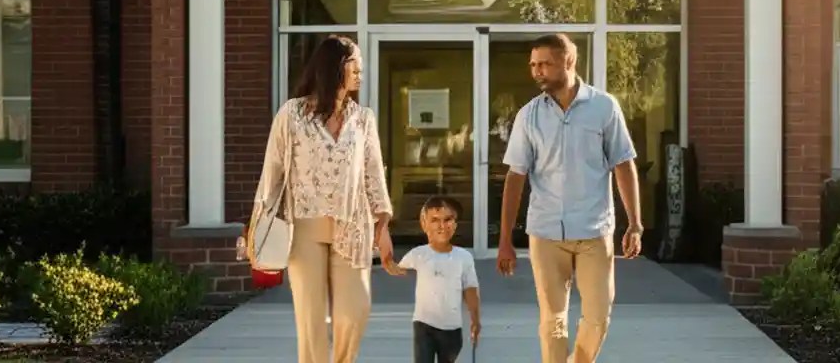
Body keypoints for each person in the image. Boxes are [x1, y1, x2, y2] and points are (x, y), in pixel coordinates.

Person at [252, 35, 399, 363]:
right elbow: (272, 174)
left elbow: (374, 174)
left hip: (353, 228)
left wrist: (383, 225)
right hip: (302, 231)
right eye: (355, 63)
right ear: (336, 66)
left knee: (355, 312)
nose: (361, 70)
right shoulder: (291, 115)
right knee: (311, 322)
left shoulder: (364, 119)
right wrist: (257, 226)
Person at [496, 33, 642, 363]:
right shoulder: (528, 116)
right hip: (545, 233)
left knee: (598, 317)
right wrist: (505, 239)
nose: (537, 71)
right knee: (552, 320)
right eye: (533, 65)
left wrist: (635, 223)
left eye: (545, 64)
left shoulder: (604, 107)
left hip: (594, 231)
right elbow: (515, 177)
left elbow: (623, 164)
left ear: (569, 61)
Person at [392, 196, 482, 363]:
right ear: (424, 224)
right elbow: (397, 269)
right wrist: (384, 256)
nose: (442, 226)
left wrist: (475, 320)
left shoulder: (464, 257)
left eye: (448, 219)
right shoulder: (418, 254)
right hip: (424, 324)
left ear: (455, 224)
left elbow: (470, 289)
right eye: (435, 220)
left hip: (452, 328)